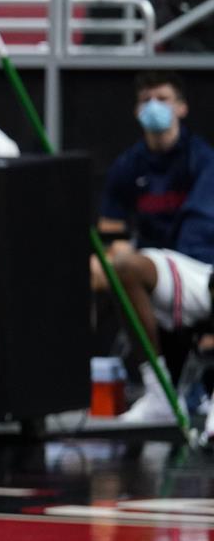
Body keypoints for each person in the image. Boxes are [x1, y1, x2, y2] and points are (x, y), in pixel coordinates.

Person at [94, 71, 214, 426]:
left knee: (128, 266)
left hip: (199, 270)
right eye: (146, 100)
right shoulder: (127, 166)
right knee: (102, 268)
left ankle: (171, 391)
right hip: (157, 267)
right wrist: (112, 258)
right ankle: (65, 384)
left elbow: (199, 233)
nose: (154, 107)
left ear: (181, 107)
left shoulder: (202, 159)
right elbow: (111, 232)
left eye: (162, 99)